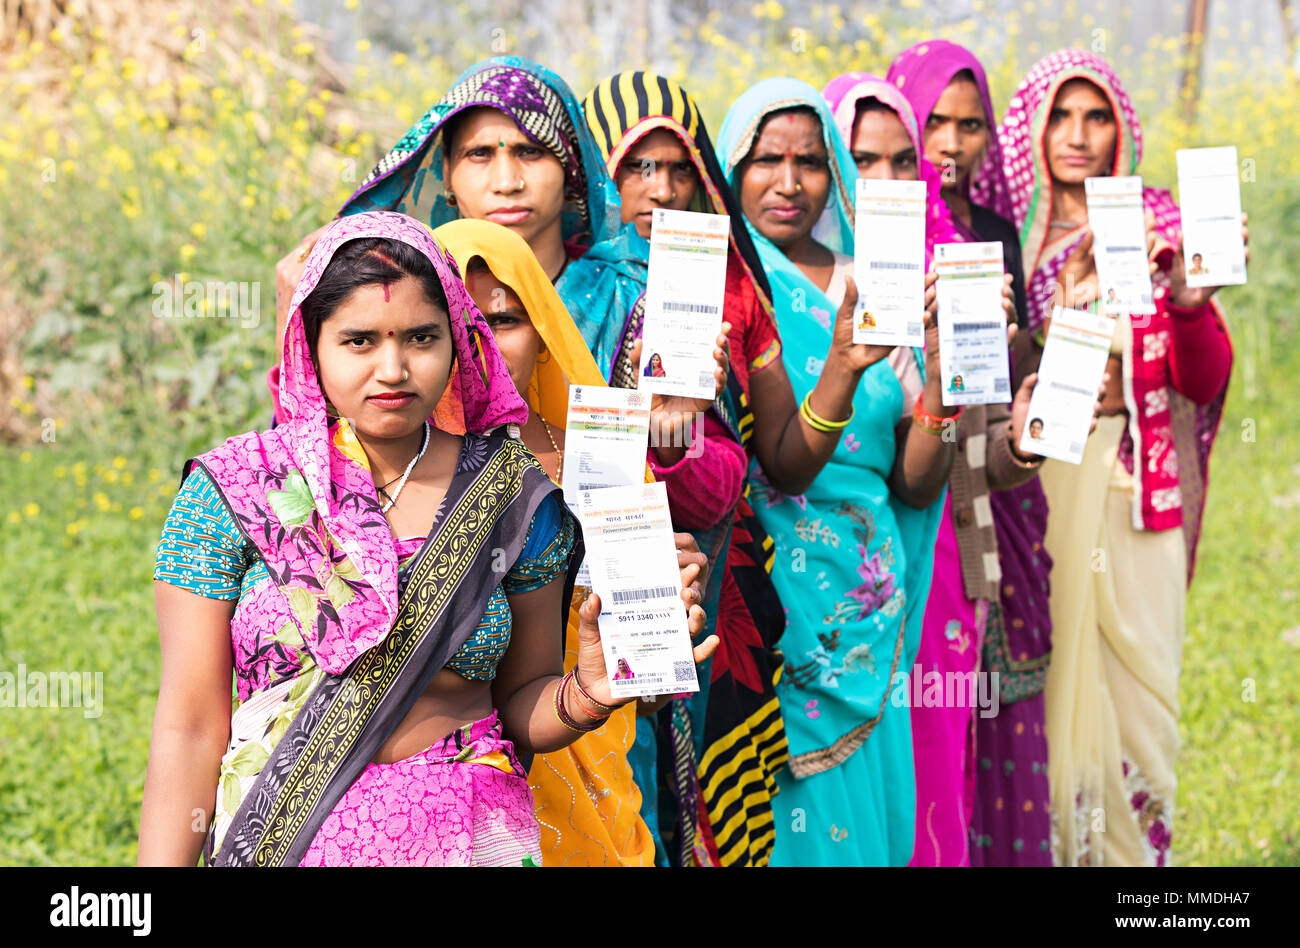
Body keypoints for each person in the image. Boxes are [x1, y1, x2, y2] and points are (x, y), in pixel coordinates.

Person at [141, 211, 716, 867]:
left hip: (470, 840)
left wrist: (584, 696)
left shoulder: (512, 496)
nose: (393, 368)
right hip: (281, 841)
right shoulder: (236, 491)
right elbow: (188, 728)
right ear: (311, 345)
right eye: (359, 341)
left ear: (458, 343)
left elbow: (522, 702)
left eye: (420, 337)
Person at [586, 70, 903, 866]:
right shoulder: (569, 282)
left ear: (702, 176)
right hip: (581, 581)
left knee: (698, 809)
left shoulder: (728, 280)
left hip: (717, 591)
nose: (659, 190)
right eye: (636, 167)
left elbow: (785, 466)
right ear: (598, 171)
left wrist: (840, 366)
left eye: (677, 169)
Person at [975, 49, 1240, 866]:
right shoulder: (1002, 240)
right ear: (1032, 128)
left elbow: (1204, 379)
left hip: (1134, 490)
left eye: (1097, 117)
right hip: (1041, 484)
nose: (1078, 136)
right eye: (1060, 115)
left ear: (1121, 129)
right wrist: (1059, 319)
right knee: (1054, 688)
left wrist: (1189, 309)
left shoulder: (1161, 227)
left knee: (1142, 700)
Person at [719, 77, 958, 866]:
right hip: (766, 595)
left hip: (865, 599)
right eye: (765, 160)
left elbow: (917, 484)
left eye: (810, 162)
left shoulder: (874, 278)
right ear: (729, 167)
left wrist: (947, 380)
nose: (789, 183)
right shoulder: (720, 287)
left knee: (861, 818)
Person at [826, 69, 1049, 868]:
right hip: (836, 584)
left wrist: (1023, 440)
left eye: (899, 161)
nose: (884, 182)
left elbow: (983, 458)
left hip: (949, 570)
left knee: (932, 780)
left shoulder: (955, 272)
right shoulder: (795, 287)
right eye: (861, 159)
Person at [435, 216, 694, 867]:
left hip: (590, 762)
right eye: (452, 322)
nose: (479, 346)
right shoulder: (394, 475)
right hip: (445, 782)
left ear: (545, 334)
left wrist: (660, 616)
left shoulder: (596, 449)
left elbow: (645, 674)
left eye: (504, 321)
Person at [886, 39, 1059, 867]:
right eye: (932, 124)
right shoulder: (868, 239)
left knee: (967, 740)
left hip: (977, 503)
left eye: (970, 126)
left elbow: (1000, 386)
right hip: (895, 512)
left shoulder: (991, 234)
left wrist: (1038, 355)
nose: (949, 145)